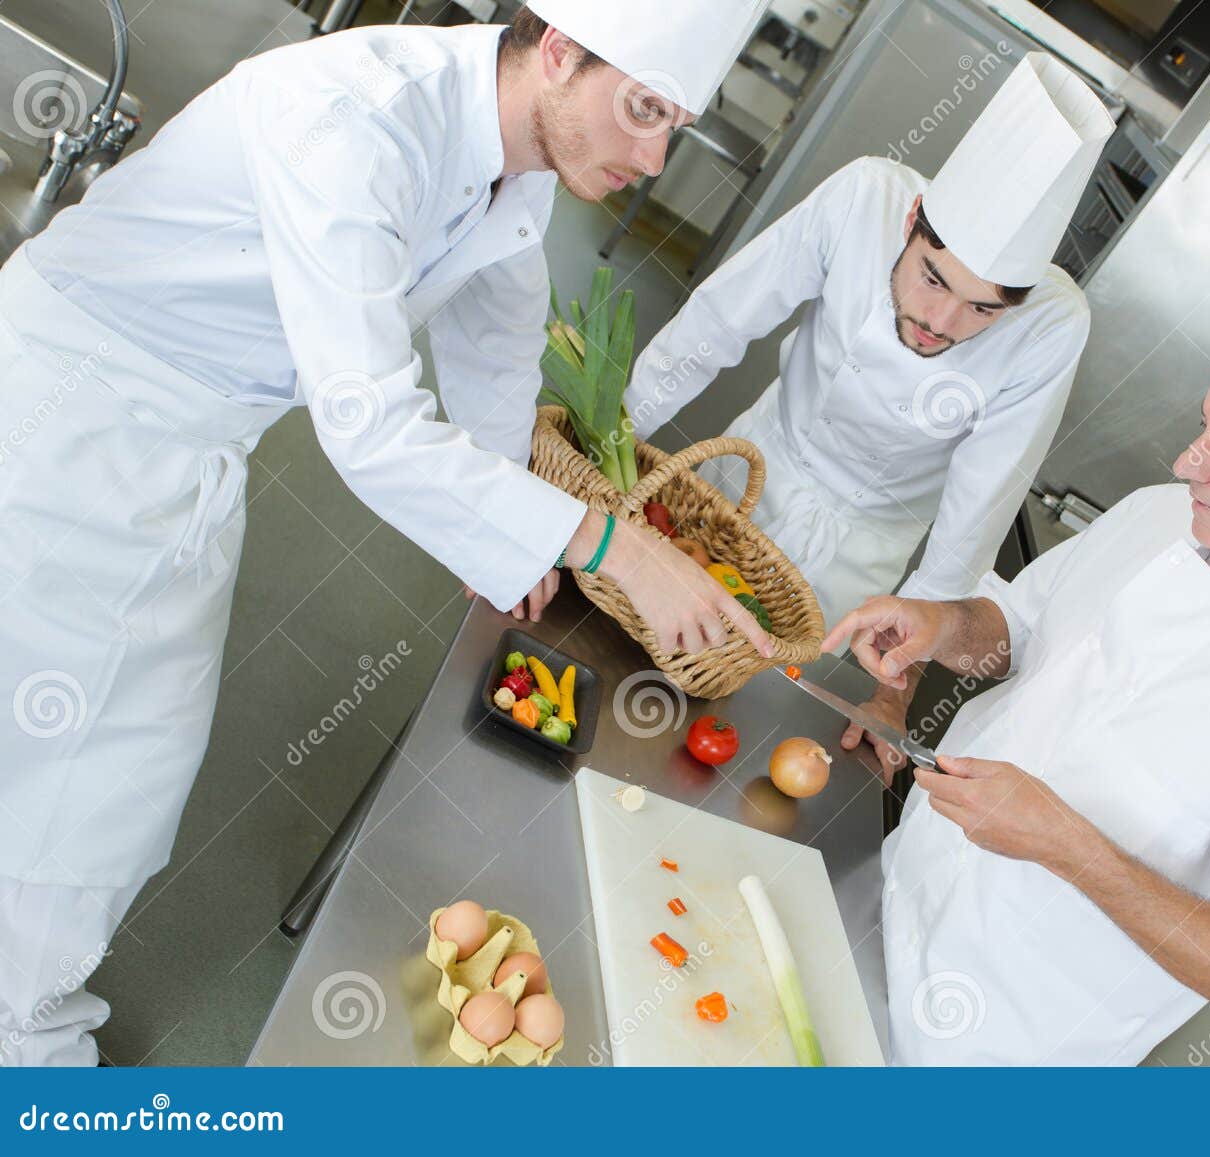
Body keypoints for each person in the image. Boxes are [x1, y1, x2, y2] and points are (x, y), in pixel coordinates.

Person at [0, 0, 770, 1066]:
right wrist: (608, 544)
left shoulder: (509, 168)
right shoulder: (358, 116)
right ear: (556, 50)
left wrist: (500, 531)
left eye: (673, 127)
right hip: (70, 411)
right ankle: (18, 1033)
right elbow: (365, 421)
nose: (652, 155)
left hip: (184, 442)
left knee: (109, 762)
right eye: (642, 111)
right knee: (80, 762)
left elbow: (496, 343)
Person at [823, 313, 1210, 1064]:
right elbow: (1018, 630)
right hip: (884, 895)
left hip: (980, 1054)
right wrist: (941, 626)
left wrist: (1064, 844)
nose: (1191, 460)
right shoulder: (1161, 515)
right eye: (1206, 426)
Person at [623, 53, 1114, 638]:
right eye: (933, 279)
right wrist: (615, 441)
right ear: (911, 220)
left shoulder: (1052, 327)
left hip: (856, 558)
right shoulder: (864, 198)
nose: (941, 321)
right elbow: (719, 322)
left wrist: (899, 676)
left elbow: (979, 508)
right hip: (748, 470)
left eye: (982, 309)